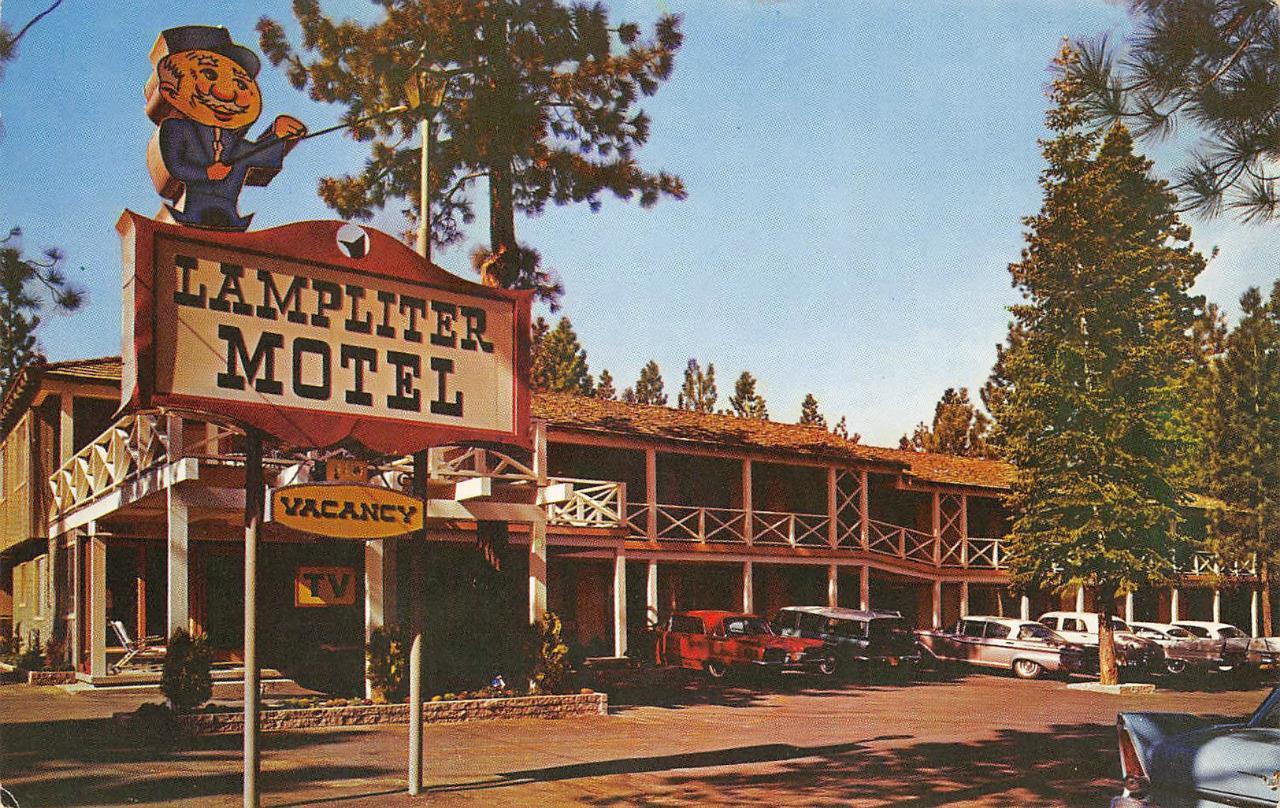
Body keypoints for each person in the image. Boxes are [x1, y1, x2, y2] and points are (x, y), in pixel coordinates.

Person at [149, 26, 306, 230]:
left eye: (240, 84)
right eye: (208, 74)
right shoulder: (176, 128)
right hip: (192, 213)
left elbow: (258, 157)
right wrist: (206, 173)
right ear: (171, 90)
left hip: (230, 216)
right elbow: (176, 165)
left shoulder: (230, 140)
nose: (226, 93)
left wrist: (279, 134)